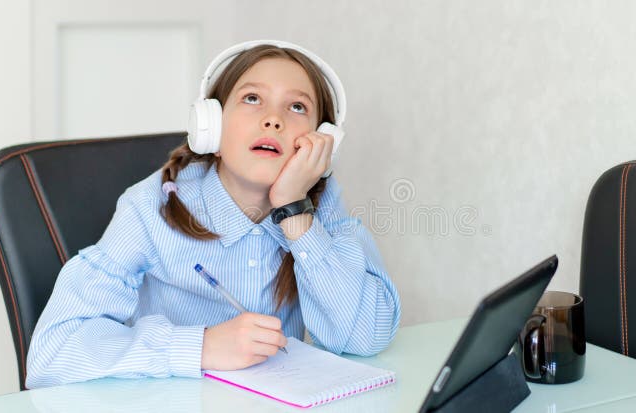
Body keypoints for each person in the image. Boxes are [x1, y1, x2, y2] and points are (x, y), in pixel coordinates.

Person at [25, 40, 401, 388]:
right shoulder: (149, 207)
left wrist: (294, 210)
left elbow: (364, 336)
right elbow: (51, 354)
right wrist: (200, 347)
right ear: (212, 128)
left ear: (322, 143)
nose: (274, 119)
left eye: (297, 107)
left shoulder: (318, 202)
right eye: (252, 98)